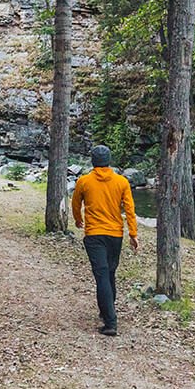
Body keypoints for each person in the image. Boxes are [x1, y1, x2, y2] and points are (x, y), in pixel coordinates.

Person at [71, 144, 137, 336]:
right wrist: (133, 234)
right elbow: (129, 210)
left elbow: (75, 203)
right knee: (109, 273)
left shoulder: (84, 181)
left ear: (93, 161)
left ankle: (110, 323)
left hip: (94, 235)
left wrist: (78, 219)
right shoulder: (121, 182)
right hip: (115, 234)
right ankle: (107, 311)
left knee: (102, 276)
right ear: (109, 160)